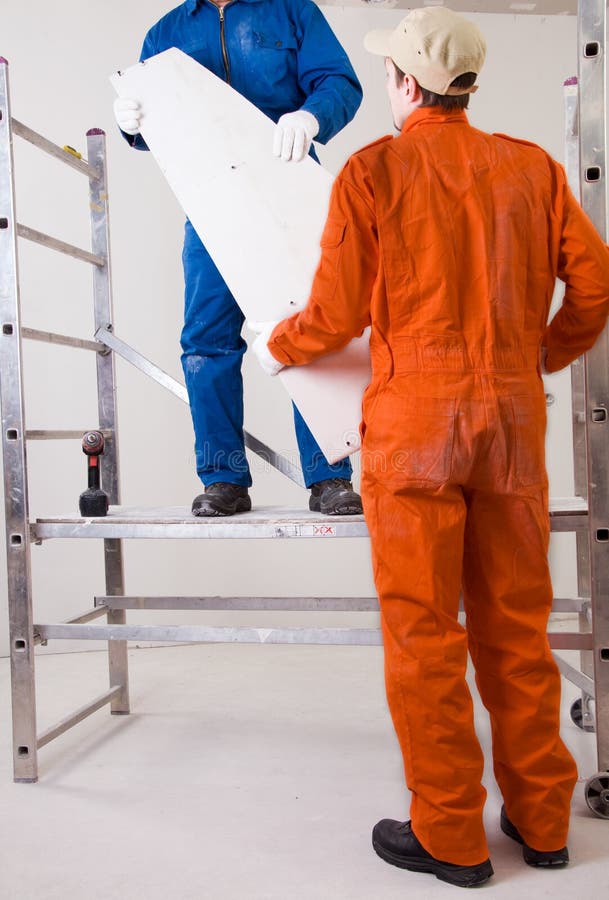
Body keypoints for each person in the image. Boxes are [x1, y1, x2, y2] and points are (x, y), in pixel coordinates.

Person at [252, 6, 609, 888]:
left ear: (406, 83)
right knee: (516, 632)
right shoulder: (531, 168)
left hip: (415, 432)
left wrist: (282, 344)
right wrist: (539, 355)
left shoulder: (374, 170)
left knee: (423, 636)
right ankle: (542, 824)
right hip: (512, 435)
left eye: (387, 70)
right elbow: (595, 288)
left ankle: (449, 835)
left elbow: (334, 316)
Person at [113, 0, 364, 517]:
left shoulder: (292, 12)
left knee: (309, 324)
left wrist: (311, 116)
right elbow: (152, 120)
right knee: (207, 341)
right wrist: (132, 126)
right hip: (210, 202)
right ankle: (224, 478)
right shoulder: (166, 33)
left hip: (288, 186)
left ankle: (330, 477)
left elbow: (341, 82)